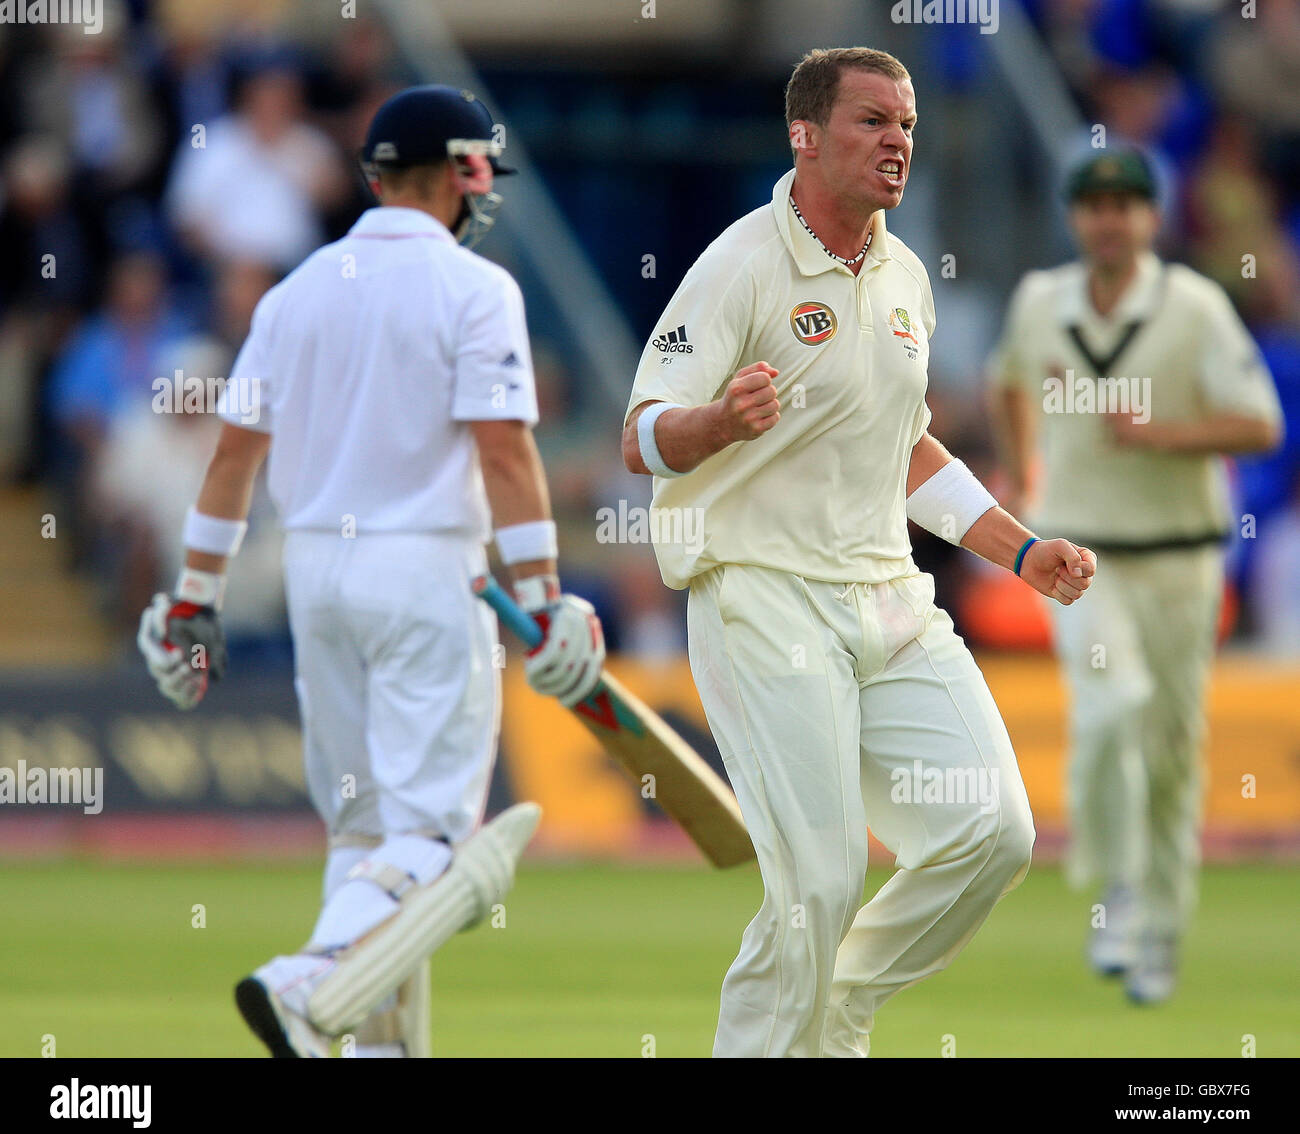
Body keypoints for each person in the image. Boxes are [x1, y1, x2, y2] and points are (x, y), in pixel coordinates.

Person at [621, 47, 1096, 1058]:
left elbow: (907, 446)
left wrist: (1019, 549)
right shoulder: (740, 262)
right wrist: (712, 422)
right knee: (819, 879)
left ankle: (836, 1009)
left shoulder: (903, 272)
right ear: (804, 134)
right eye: (872, 122)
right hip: (761, 593)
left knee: (991, 833)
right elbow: (640, 433)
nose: (897, 144)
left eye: (908, 125)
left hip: (887, 594)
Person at [137, 85, 606, 1056]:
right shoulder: (477, 290)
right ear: (461, 174)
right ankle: (307, 981)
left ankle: (373, 1049)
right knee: (432, 843)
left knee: (364, 835)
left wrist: (195, 596)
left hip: (316, 575)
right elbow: (506, 454)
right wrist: (545, 598)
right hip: (426, 571)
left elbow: (232, 459)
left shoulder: (294, 288)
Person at [987, 147, 1283, 1003]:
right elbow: (1006, 381)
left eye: (1125, 204)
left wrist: (1162, 436)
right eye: (1093, 204)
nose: (1108, 219)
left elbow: (1261, 425)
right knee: (1111, 705)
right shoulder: (1042, 302)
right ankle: (1116, 889)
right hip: (1082, 553)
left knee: (1168, 748)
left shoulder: (1192, 307)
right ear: (1075, 218)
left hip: (1181, 553)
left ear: (1152, 218)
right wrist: (1018, 475)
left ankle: (1161, 930)